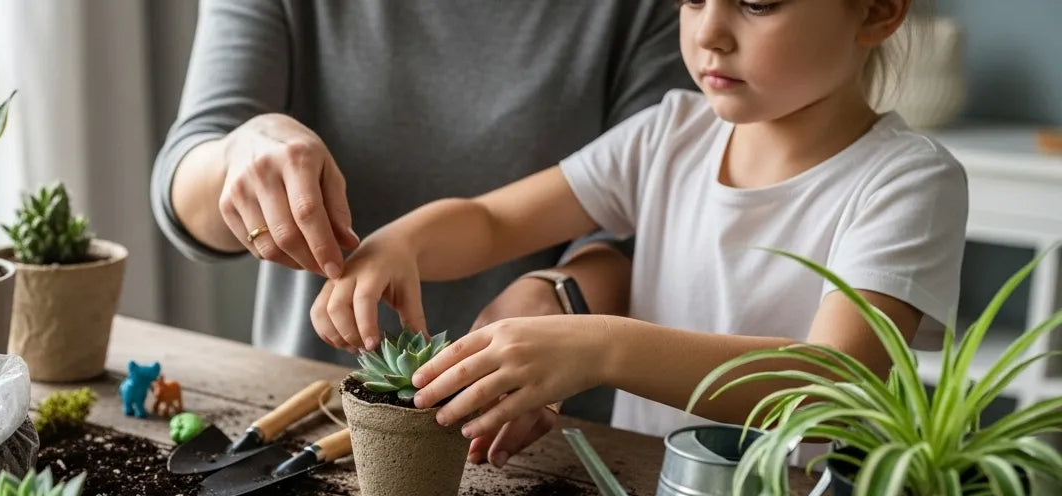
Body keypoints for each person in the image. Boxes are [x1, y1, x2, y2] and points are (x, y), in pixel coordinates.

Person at [312, 0, 965, 448]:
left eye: (757, 4)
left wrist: (601, 348)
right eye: (692, 0)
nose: (709, 33)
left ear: (878, 12)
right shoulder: (669, 134)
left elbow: (828, 382)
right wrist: (402, 242)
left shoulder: (907, 180)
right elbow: (492, 221)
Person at [151, 0, 694, 467]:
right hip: (304, 407)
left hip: (541, 439)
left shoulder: (664, 16)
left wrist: (556, 294)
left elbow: (651, 217)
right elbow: (186, 178)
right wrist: (241, 150)